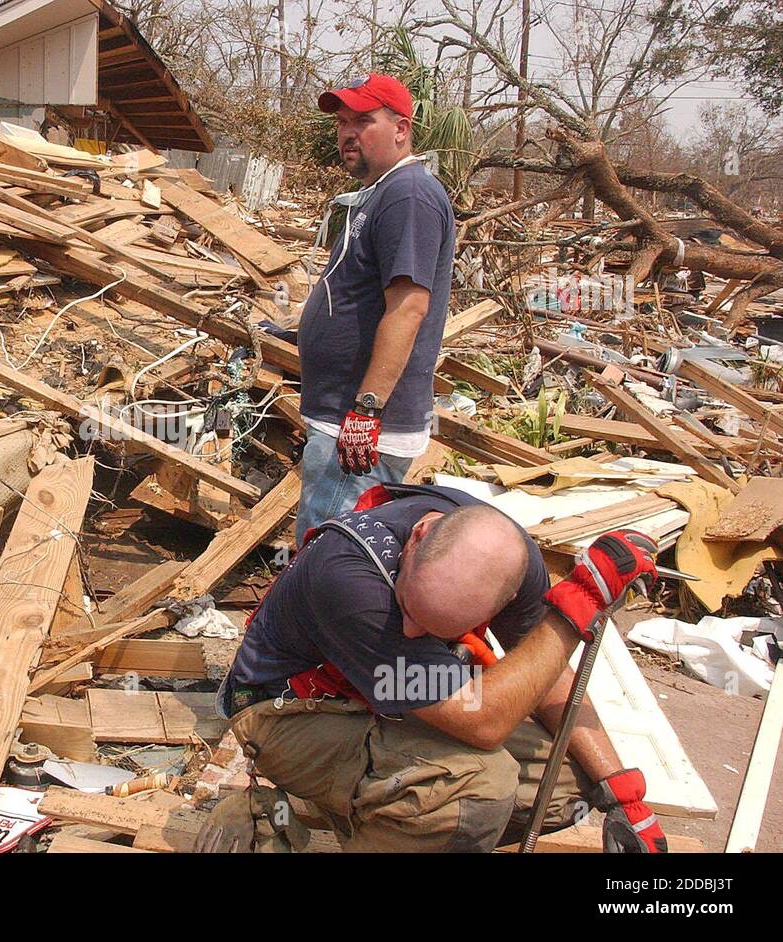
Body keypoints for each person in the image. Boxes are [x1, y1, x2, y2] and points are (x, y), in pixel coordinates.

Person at [200, 483, 668, 854]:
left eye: (431, 626)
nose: (405, 628)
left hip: (384, 702)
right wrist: (575, 611)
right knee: (476, 788)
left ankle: (382, 817)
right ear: (420, 535)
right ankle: (364, 806)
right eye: (408, 605)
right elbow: (480, 721)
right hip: (287, 711)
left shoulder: (502, 555)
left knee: (568, 778)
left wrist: (621, 792)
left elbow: (541, 669)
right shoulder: (347, 576)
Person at [292, 74, 456, 542]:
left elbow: (408, 309)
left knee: (330, 558)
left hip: (361, 428)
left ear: (401, 129)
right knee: (332, 552)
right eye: (343, 122)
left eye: (364, 120)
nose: (348, 132)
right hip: (344, 419)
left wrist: (366, 411)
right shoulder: (382, 192)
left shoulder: (408, 194)